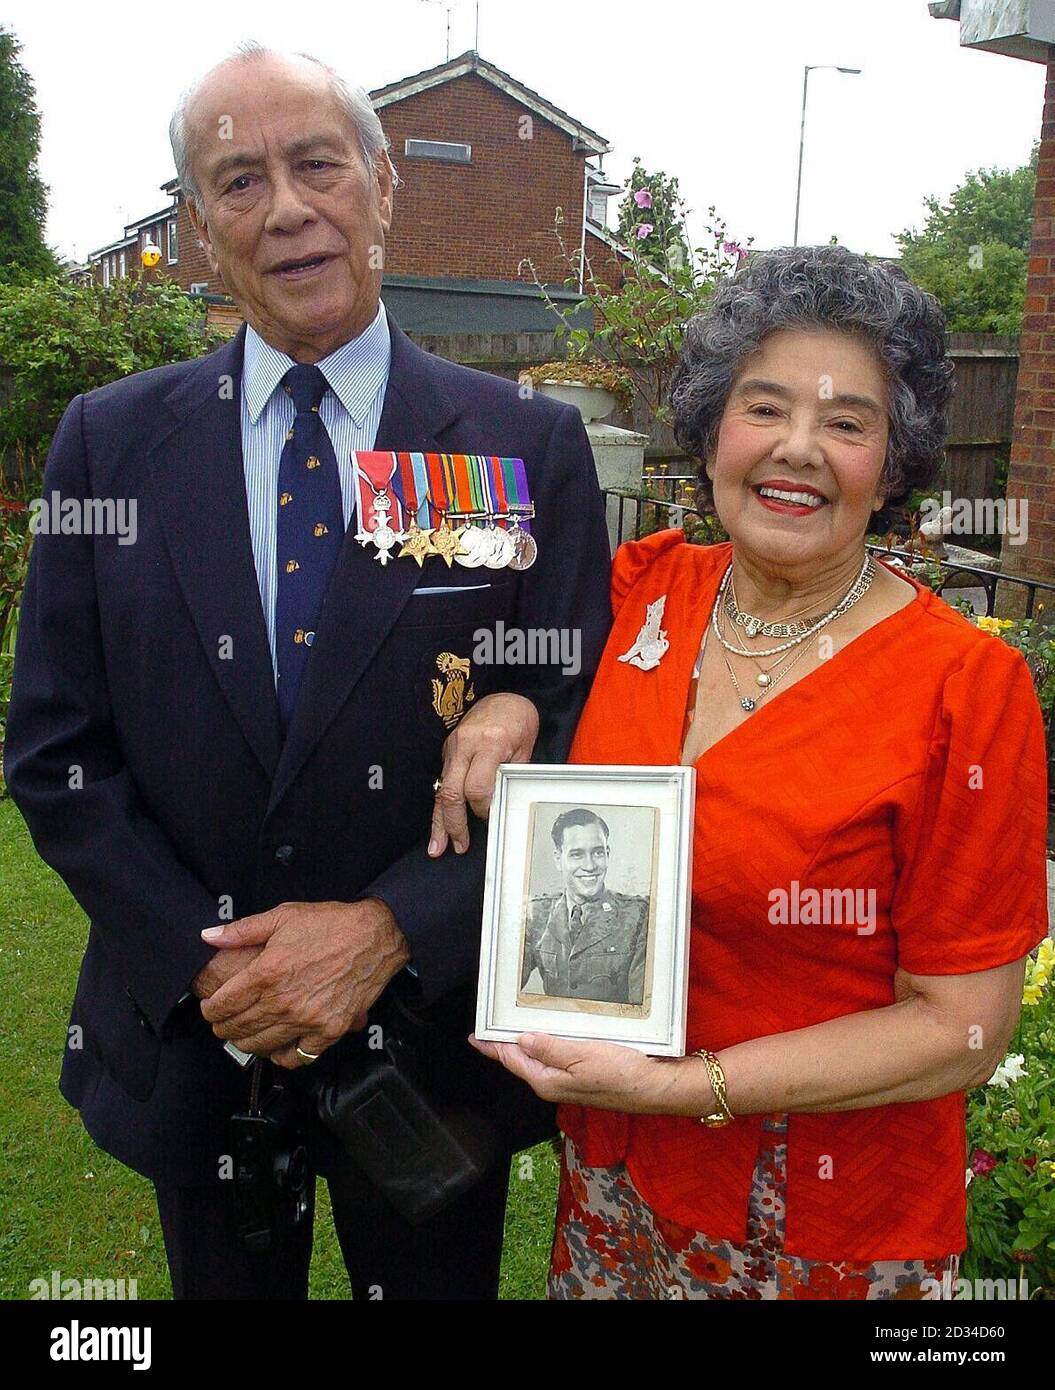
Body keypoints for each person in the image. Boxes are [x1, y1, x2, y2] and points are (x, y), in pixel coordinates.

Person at [5, 43, 611, 1301]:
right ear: (195, 225)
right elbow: (55, 746)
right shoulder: (107, 443)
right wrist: (206, 959)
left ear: (383, 187)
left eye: (317, 164)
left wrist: (393, 929)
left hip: (432, 1050)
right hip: (200, 1035)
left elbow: (574, 719)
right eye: (238, 180)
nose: (286, 208)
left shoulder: (518, 447)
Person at [470, 244, 1049, 1299]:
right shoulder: (640, 589)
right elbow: (525, 666)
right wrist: (512, 697)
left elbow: (961, 1028)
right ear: (709, 428)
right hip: (614, 1176)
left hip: (815, 1217)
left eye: (845, 422)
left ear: (895, 457)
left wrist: (690, 1087)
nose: (796, 451)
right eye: (764, 407)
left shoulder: (963, 685)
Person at [521, 808, 648, 1004]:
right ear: (558, 859)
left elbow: (641, 1009)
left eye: (597, 852)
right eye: (577, 854)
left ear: (608, 853)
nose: (589, 865)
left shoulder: (638, 915)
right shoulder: (536, 913)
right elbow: (503, 990)